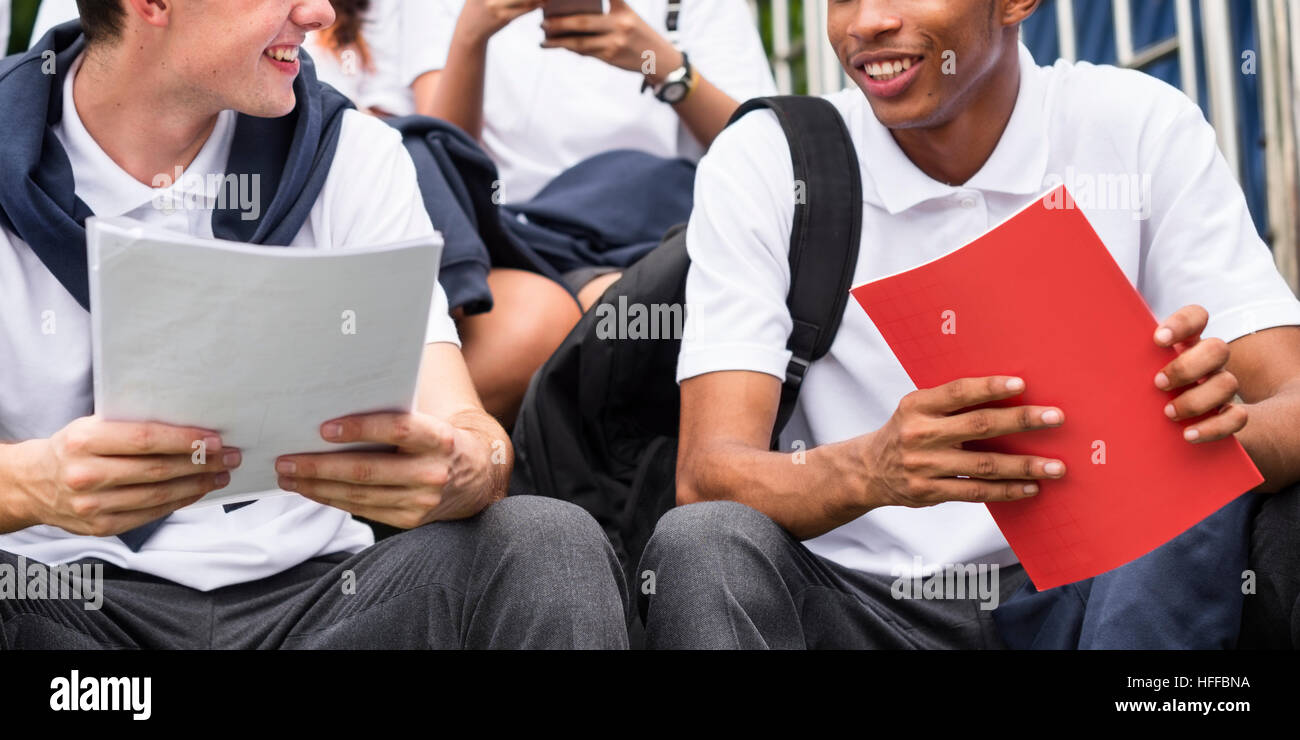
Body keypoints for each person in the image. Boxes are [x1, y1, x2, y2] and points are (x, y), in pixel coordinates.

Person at [639, 0, 1300, 649]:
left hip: (1093, 590)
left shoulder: (1135, 124)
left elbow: (1292, 403)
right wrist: (872, 469)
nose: (866, 22)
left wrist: (1211, 435)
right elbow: (708, 474)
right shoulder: (769, 156)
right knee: (701, 544)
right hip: (850, 600)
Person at [0, 0, 628, 649]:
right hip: (59, 603)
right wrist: (29, 483)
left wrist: (466, 467)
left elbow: (474, 436)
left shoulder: (347, 152)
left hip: (320, 604)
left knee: (548, 544)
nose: (320, 12)